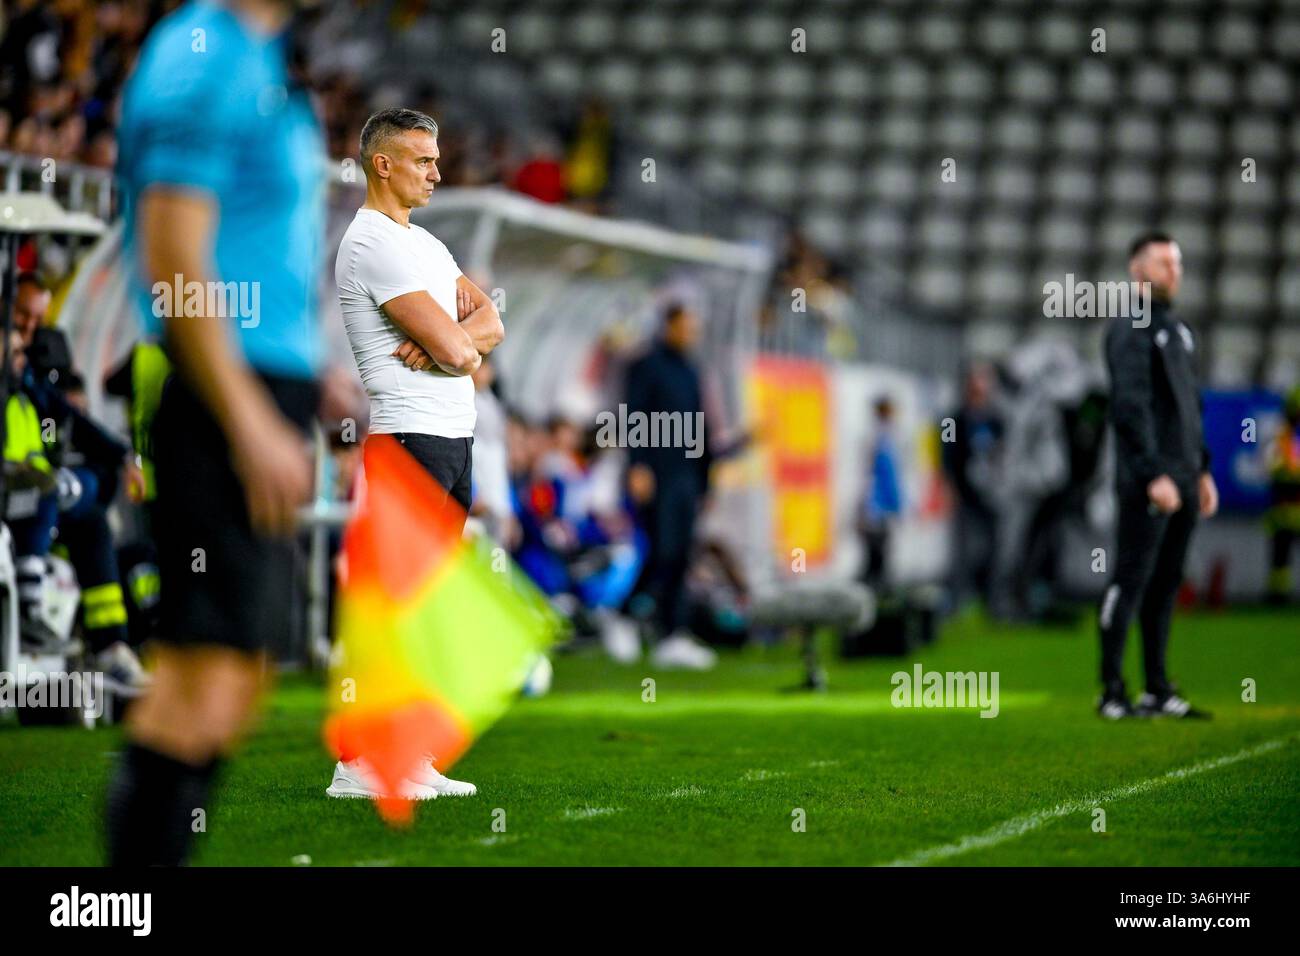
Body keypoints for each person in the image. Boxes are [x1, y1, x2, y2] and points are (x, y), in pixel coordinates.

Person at [105, 0, 327, 866]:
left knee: (238, 673)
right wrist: (247, 418)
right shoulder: (203, 56)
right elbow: (172, 257)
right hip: (217, 394)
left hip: (259, 384)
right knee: (202, 673)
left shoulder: (256, 56)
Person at [330, 106, 503, 800]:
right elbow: (465, 347)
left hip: (451, 440)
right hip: (408, 439)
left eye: (436, 158)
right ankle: (357, 765)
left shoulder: (428, 247)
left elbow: (488, 324)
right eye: (423, 159)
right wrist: (451, 345)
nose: (437, 170)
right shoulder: (373, 243)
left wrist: (451, 344)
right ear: (383, 164)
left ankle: (404, 757)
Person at [1097, 231, 1218, 720]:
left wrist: (1202, 469)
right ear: (1137, 269)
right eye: (1163, 262)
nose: (1174, 271)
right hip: (1151, 479)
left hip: (1184, 476)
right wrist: (1152, 474)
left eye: (1178, 262)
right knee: (1130, 579)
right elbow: (1129, 408)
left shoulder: (1179, 330)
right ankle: (1111, 691)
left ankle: (1157, 688)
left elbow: (1190, 407)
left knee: (1167, 583)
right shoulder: (1132, 328)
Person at [624, 303, 719, 670]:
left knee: (681, 555)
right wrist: (637, 466)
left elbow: (700, 426)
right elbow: (633, 414)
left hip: (687, 476)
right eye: (685, 326)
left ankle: (673, 636)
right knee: (661, 550)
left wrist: (706, 483)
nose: (691, 333)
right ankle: (624, 616)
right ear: (668, 326)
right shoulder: (646, 365)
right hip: (657, 472)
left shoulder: (692, 370)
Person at [859, 395, 903, 588]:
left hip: (886, 499)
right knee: (874, 543)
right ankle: (874, 579)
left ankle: (881, 580)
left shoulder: (893, 437)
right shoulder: (875, 437)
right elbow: (869, 472)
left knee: (884, 543)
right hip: (876, 499)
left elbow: (895, 474)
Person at [1266, 386, 1300, 602]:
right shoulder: (1280, 438)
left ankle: (1279, 594)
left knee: (1281, 556)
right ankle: (1278, 595)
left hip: (1285, 511)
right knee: (1280, 558)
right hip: (1283, 511)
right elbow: (1271, 466)